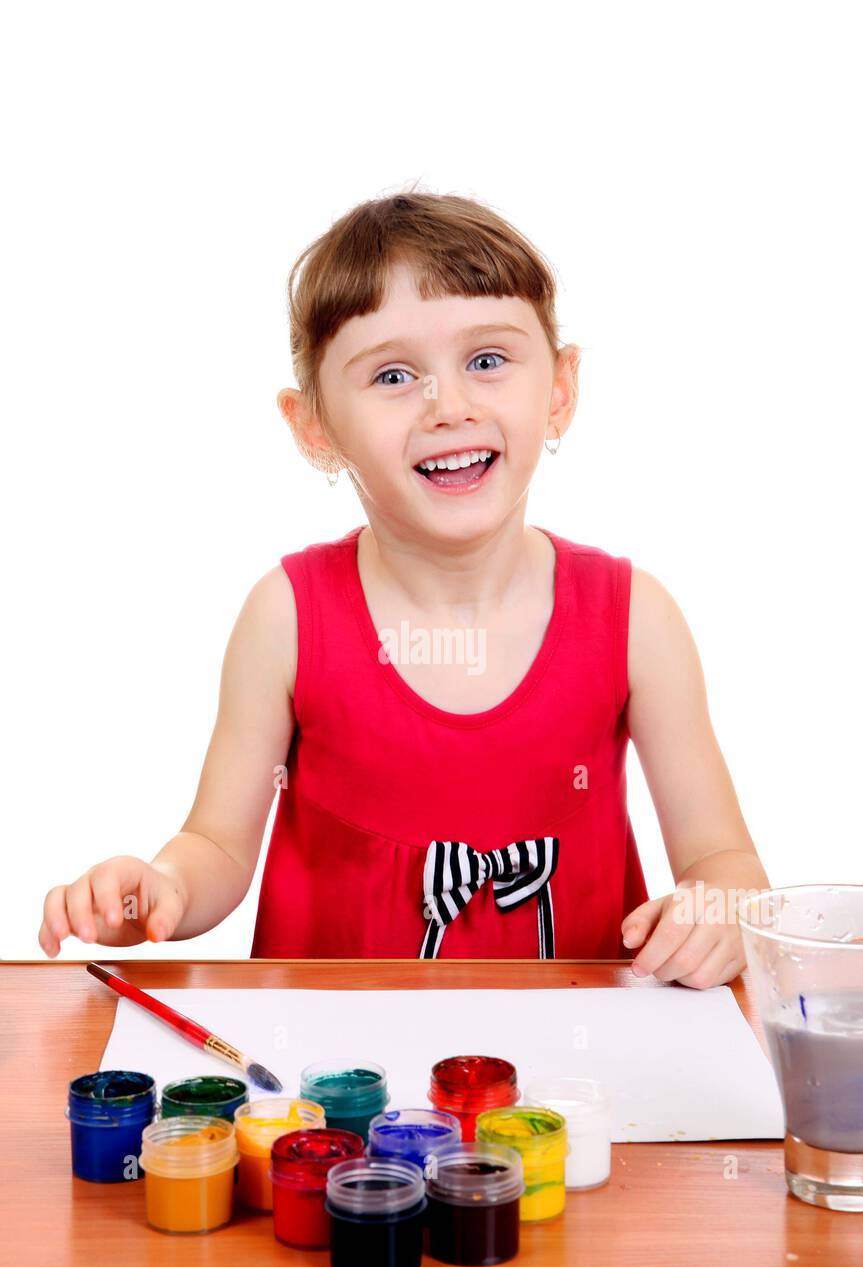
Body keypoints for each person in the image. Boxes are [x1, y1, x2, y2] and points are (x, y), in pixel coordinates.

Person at [39, 191, 767, 982]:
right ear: (314, 426)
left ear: (558, 390)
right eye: (392, 374)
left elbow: (723, 862)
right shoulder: (286, 618)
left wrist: (716, 912)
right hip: (327, 1056)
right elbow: (215, 845)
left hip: (576, 1059)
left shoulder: (634, 619)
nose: (447, 407)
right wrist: (161, 888)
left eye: (486, 361)